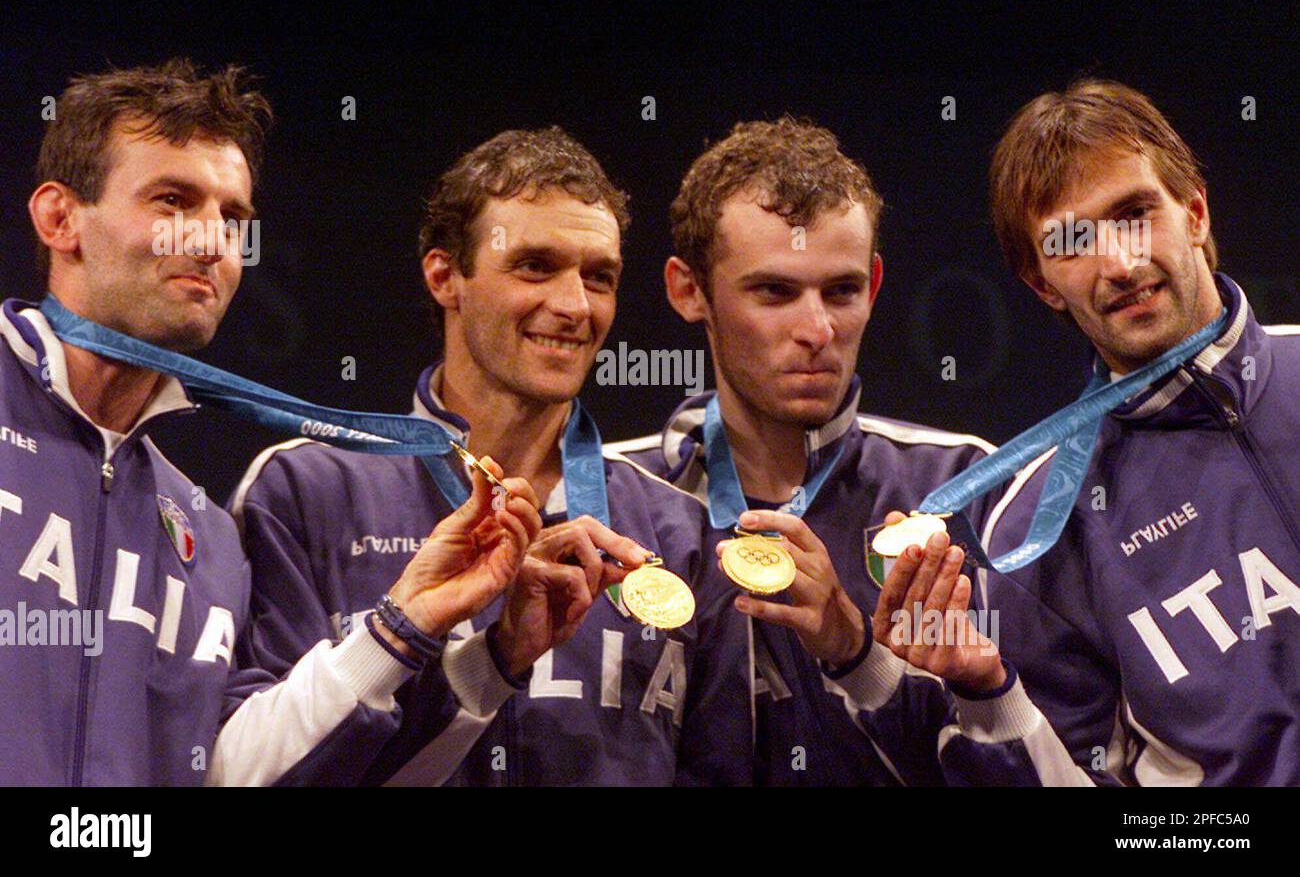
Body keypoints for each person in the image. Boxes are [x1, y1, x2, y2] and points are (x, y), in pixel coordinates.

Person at [1, 58, 543, 786]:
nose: (211, 243)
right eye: (172, 201)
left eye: (232, 219)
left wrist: (401, 623)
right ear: (59, 218)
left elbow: (225, 772)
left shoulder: (206, 538)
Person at [233, 126, 719, 786]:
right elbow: (249, 774)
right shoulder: (307, 491)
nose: (575, 305)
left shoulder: (676, 527)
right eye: (535, 266)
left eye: (598, 276)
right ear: (444, 276)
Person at [616, 116, 1079, 785]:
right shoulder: (619, 502)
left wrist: (862, 654)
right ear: (689, 290)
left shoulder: (971, 489)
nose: (816, 329)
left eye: (841, 291)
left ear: (875, 285)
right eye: (774, 291)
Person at [980, 79, 1300, 786]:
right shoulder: (1036, 534)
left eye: (1134, 214)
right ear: (1042, 284)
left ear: (1194, 212)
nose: (1121, 265)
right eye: (1073, 241)